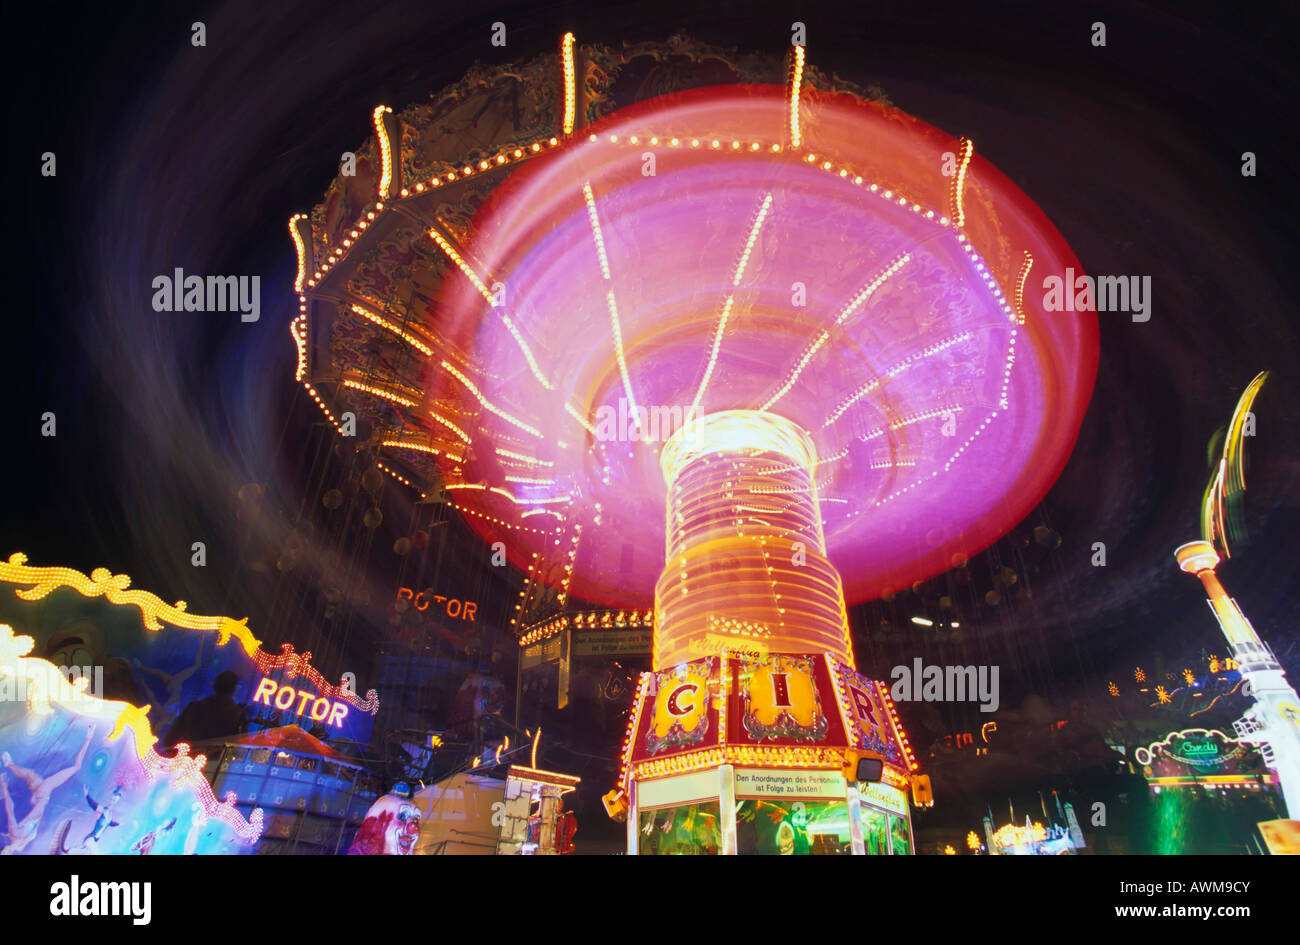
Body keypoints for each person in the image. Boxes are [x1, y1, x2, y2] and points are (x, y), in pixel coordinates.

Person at [1, 726, 95, 854]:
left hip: (42, 796)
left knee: (33, 775)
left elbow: (10, 809)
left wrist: (5, 788)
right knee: (30, 775)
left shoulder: (14, 834)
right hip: (40, 798)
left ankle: (88, 737)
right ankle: (10, 764)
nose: (7, 853)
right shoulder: (19, 846)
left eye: (4, 853)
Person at [163, 671, 247, 753]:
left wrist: (175, 756)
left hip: (188, 759)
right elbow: (240, 749)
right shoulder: (238, 714)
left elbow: (170, 738)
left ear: (215, 685)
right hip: (216, 764)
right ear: (233, 689)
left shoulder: (194, 707)